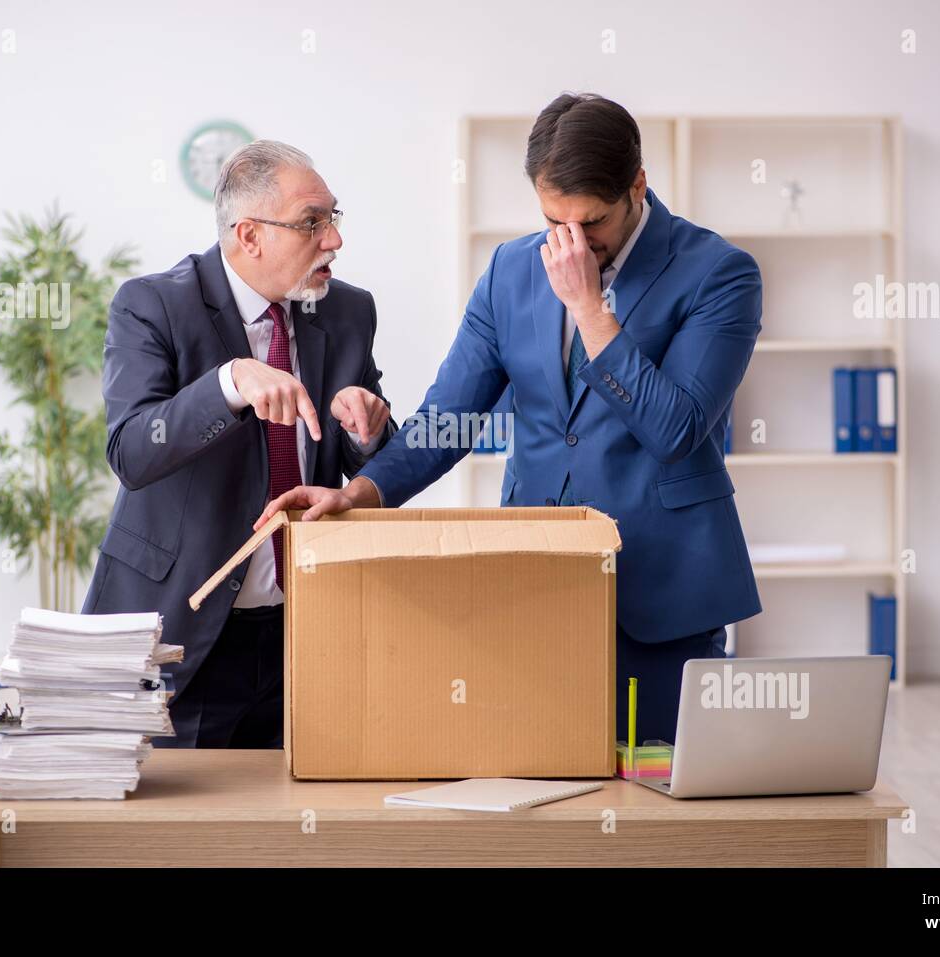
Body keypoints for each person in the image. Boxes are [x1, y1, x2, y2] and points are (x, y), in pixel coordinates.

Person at [259, 94, 762, 744]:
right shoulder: (511, 270)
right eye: (556, 219)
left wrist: (589, 309)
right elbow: (452, 418)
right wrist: (358, 491)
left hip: (666, 589)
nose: (573, 242)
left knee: (655, 803)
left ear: (637, 184)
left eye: (594, 221)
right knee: (536, 784)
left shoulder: (719, 273)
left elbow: (676, 429)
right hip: (535, 580)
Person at [82, 140, 397, 748]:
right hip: (181, 630)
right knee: (172, 837)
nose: (333, 240)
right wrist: (228, 383)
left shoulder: (349, 312)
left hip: (304, 634)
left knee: (297, 825)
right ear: (249, 235)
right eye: (313, 222)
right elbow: (131, 451)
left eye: (334, 218)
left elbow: (377, 468)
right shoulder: (153, 306)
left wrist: (369, 429)